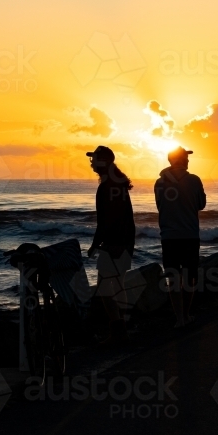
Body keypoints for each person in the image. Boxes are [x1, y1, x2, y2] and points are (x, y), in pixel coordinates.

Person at [85, 146, 136, 345]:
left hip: (114, 245)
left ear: (104, 161)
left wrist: (96, 244)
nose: (91, 163)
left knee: (105, 289)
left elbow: (105, 221)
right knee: (118, 285)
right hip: (124, 242)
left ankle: (118, 330)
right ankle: (122, 328)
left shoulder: (107, 187)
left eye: (94, 159)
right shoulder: (118, 184)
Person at [154, 147, 206, 327]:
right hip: (190, 234)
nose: (188, 160)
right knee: (190, 277)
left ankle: (179, 318)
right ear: (183, 160)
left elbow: (159, 206)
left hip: (168, 235)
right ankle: (186, 314)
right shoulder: (194, 180)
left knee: (173, 277)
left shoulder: (159, 183)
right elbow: (201, 204)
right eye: (186, 157)